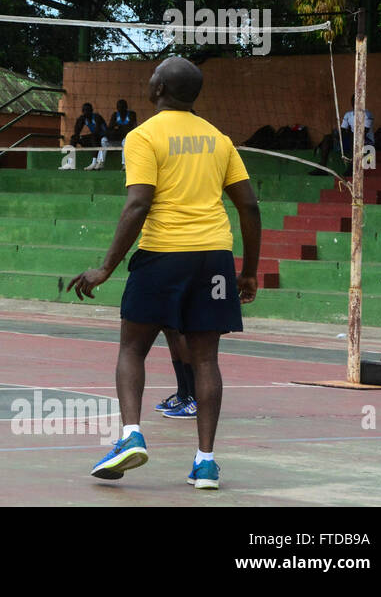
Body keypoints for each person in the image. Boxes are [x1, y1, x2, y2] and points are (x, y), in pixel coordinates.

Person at [68, 57, 261, 490]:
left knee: (132, 348)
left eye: (154, 73)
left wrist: (105, 268)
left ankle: (130, 436)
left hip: (163, 255)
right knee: (207, 358)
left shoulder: (143, 136)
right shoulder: (218, 138)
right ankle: (206, 463)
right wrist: (248, 272)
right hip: (214, 257)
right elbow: (249, 205)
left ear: (158, 88)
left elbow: (138, 204)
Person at [68, 103, 110, 170]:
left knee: (93, 137)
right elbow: (77, 132)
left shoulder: (97, 117)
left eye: (88, 110)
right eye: (84, 110)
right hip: (94, 138)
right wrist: (78, 121)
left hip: (103, 137)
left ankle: (94, 163)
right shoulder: (84, 119)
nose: (86, 112)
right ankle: (70, 163)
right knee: (74, 138)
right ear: (82, 111)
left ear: (92, 110)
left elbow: (97, 132)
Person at [105, 100, 137, 169]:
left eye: (122, 107)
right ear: (117, 108)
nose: (121, 109)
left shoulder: (131, 114)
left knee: (125, 142)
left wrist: (118, 126)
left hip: (128, 138)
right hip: (117, 138)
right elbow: (110, 127)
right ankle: (99, 163)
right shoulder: (115, 115)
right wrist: (123, 127)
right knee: (103, 140)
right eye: (119, 107)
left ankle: (124, 164)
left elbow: (131, 128)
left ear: (126, 107)